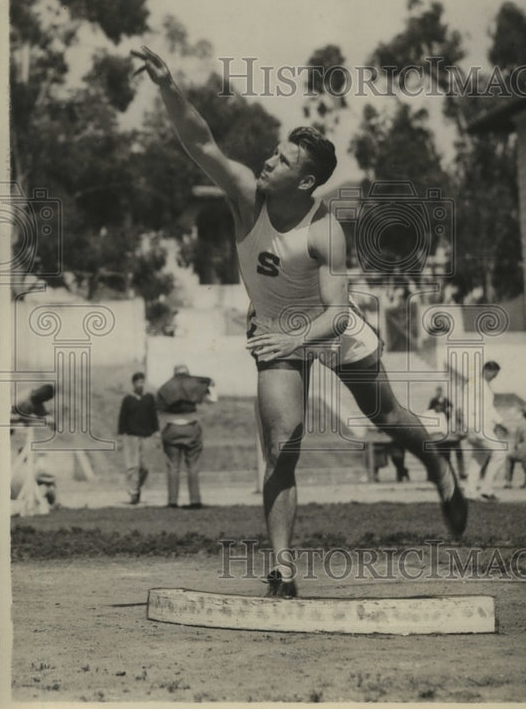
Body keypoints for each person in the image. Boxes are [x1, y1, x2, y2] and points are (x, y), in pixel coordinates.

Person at [133, 46, 467, 597]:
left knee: (384, 414)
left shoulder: (325, 231)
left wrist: (296, 333)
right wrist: (169, 86)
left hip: (328, 329)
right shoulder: (247, 197)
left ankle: (438, 467)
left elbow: (337, 315)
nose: (269, 163)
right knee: (283, 442)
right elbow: (200, 141)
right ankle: (283, 569)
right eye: (273, 153)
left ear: (307, 183)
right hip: (275, 332)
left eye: (283, 162)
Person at [156, 364, 217, 509]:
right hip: (191, 427)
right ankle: (195, 501)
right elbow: (212, 399)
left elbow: (159, 410)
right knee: (193, 466)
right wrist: (212, 386)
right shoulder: (195, 386)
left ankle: (172, 501)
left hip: (171, 428)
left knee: (172, 466)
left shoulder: (165, 388)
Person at [463, 361, 508, 501]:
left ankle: (470, 491)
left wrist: (501, 422)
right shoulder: (475, 384)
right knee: (499, 454)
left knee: (478, 459)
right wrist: (470, 428)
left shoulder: (485, 386)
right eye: (494, 374)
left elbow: (489, 409)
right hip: (478, 426)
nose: (495, 377)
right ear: (487, 370)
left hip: (485, 426)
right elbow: (467, 406)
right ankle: (486, 490)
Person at [117, 372, 159, 504]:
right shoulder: (128, 399)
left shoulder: (149, 398)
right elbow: (122, 418)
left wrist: (157, 432)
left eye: (142, 381)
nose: (140, 384)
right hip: (131, 436)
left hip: (147, 435)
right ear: (133, 384)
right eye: (138, 382)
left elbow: (154, 416)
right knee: (132, 466)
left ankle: (136, 487)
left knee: (145, 467)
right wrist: (120, 437)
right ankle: (133, 493)